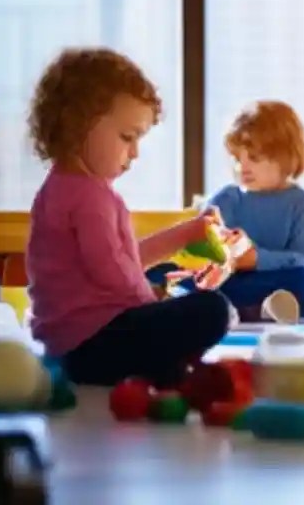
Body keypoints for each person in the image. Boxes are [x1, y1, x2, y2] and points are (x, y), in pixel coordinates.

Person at [24, 47, 229, 386]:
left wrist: (188, 232)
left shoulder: (59, 188)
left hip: (67, 344)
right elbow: (111, 270)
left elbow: (126, 258)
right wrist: (149, 299)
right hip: (93, 342)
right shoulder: (90, 197)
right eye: (127, 137)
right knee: (213, 309)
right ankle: (158, 366)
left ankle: (160, 368)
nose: (134, 153)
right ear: (78, 125)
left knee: (170, 302)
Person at [204, 100, 304, 322]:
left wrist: (257, 260)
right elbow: (204, 255)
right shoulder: (225, 200)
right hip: (235, 282)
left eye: (253, 157)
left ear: (285, 157)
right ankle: (257, 310)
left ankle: (247, 310)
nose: (242, 167)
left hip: (283, 283)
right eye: (237, 158)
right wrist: (227, 256)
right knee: (193, 285)